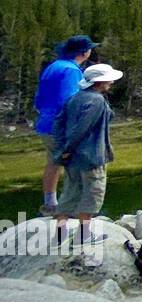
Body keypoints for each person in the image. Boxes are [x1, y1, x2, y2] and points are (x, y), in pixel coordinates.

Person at [52, 63, 122, 247]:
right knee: (93, 193)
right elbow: (82, 129)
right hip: (91, 156)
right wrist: (68, 148)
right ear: (99, 82)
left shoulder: (75, 98)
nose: (112, 82)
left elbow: (59, 123)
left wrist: (62, 151)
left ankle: (60, 234)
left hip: (71, 158)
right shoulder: (97, 101)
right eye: (109, 79)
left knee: (70, 191)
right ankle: (83, 235)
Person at [32, 35, 98, 215]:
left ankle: (50, 204)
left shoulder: (53, 66)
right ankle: (70, 210)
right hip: (61, 128)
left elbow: (38, 99)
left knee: (53, 163)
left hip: (45, 124)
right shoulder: (72, 71)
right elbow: (69, 100)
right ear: (84, 52)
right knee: (74, 167)